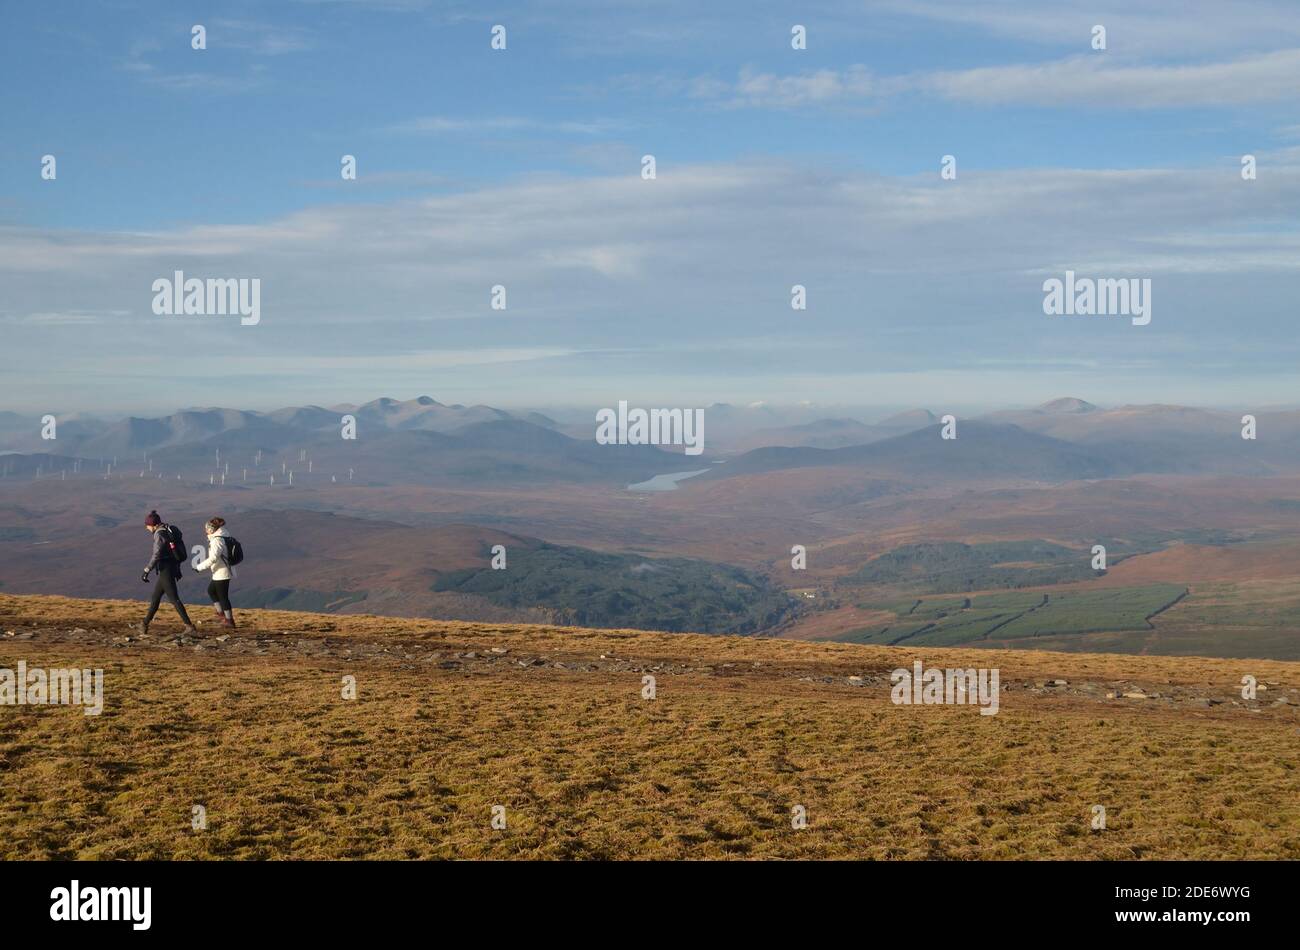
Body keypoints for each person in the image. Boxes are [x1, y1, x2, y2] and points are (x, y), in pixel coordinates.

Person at [140, 510, 196, 636]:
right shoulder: (168, 529)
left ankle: (189, 626)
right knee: (155, 597)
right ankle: (144, 624)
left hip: (166, 569)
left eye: (147, 525)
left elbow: (157, 554)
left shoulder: (159, 534)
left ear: (152, 525)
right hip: (171, 567)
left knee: (174, 599)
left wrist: (147, 570)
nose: (146, 528)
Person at [196, 516, 237, 629]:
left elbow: (213, 558)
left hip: (222, 572)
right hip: (221, 571)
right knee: (211, 591)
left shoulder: (217, 540)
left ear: (211, 529)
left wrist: (199, 567)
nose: (205, 531)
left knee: (223, 597)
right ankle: (221, 615)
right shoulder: (223, 536)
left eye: (206, 528)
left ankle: (229, 620)